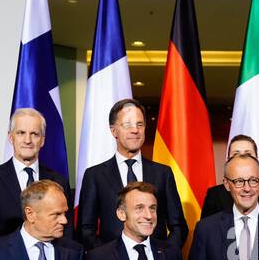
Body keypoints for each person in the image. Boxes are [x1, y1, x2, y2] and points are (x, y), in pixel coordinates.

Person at [75, 98, 187, 250]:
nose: (135, 130)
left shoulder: (163, 173)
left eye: (139, 124)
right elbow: (85, 228)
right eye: (127, 125)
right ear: (113, 130)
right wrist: (106, 258)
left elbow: (178, 226)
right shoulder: (95, 176)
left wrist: (164, 255)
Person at [0, 107, 73, 246]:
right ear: (10, 137)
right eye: (21, 133)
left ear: (42, 140)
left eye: (34, 134)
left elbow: (67, 232)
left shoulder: (58, 181)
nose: (27, 140)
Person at [200, 134, 259, 219]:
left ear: (257, 158)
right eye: (235, 154)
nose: (242, 159)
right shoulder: (214, 195)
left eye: (248, 154)